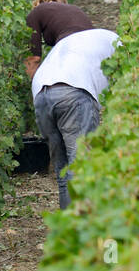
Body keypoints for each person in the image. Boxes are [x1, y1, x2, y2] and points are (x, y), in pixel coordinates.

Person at [29, 26, 120, 209]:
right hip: (74, 90)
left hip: (40, 93)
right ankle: (79, 229)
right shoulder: (117, 43)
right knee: (79, 167)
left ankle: (67, 228)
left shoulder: (75, 43)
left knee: (63, 170)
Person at [24, 0, 96, 81]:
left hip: (71, 45)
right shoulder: (76, 10)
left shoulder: (36, 12)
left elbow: (33, 59)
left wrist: (33, 85)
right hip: (95, 44)